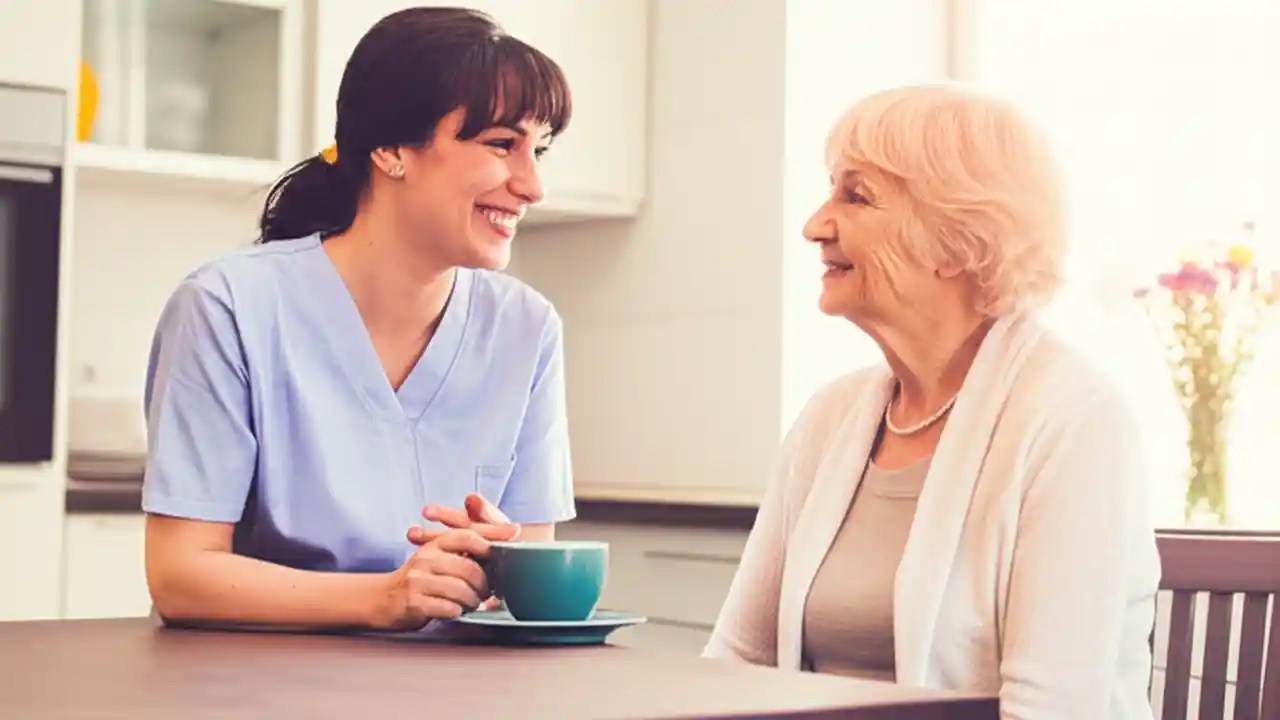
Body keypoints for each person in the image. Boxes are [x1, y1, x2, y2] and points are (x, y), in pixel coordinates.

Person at [702, 85, 1160, 719]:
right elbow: (737, 659)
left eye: (854, 196)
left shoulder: (1074, 420)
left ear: (958, 242)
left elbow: (1051, 708)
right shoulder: (829, 419)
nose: (814, 226)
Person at [141, 7, 575, 632]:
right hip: (254, 689)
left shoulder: (527, 330)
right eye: (501, 145)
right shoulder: (229, 307)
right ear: (391, 148)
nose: (532, 185)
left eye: (540, 150)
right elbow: (182, 575)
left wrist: (498, 566)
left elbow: (530, 568)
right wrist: (383, 598)